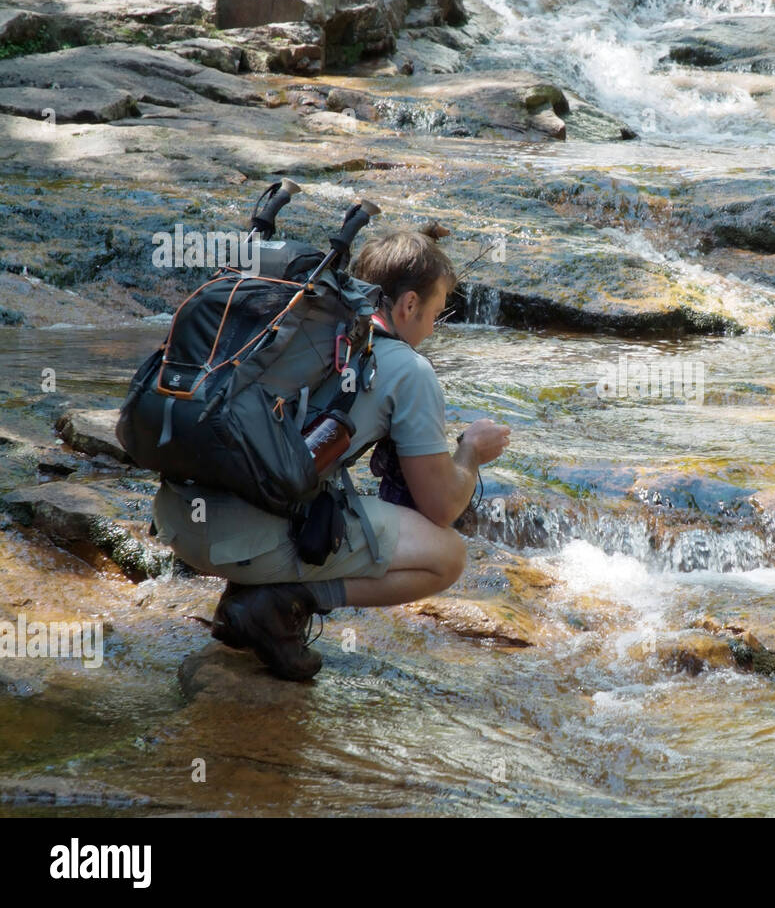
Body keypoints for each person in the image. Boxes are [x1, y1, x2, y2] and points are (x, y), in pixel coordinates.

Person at [152, 224, 511, 681]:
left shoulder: (299, 325)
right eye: (436, 314)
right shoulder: (409, 370)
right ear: (409, 304)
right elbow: (441, 507)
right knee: (446, 555)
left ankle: (248, 596)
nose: (432, 331)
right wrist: (470, 453)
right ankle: (278, 603)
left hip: (177, 521)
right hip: (230, 542)